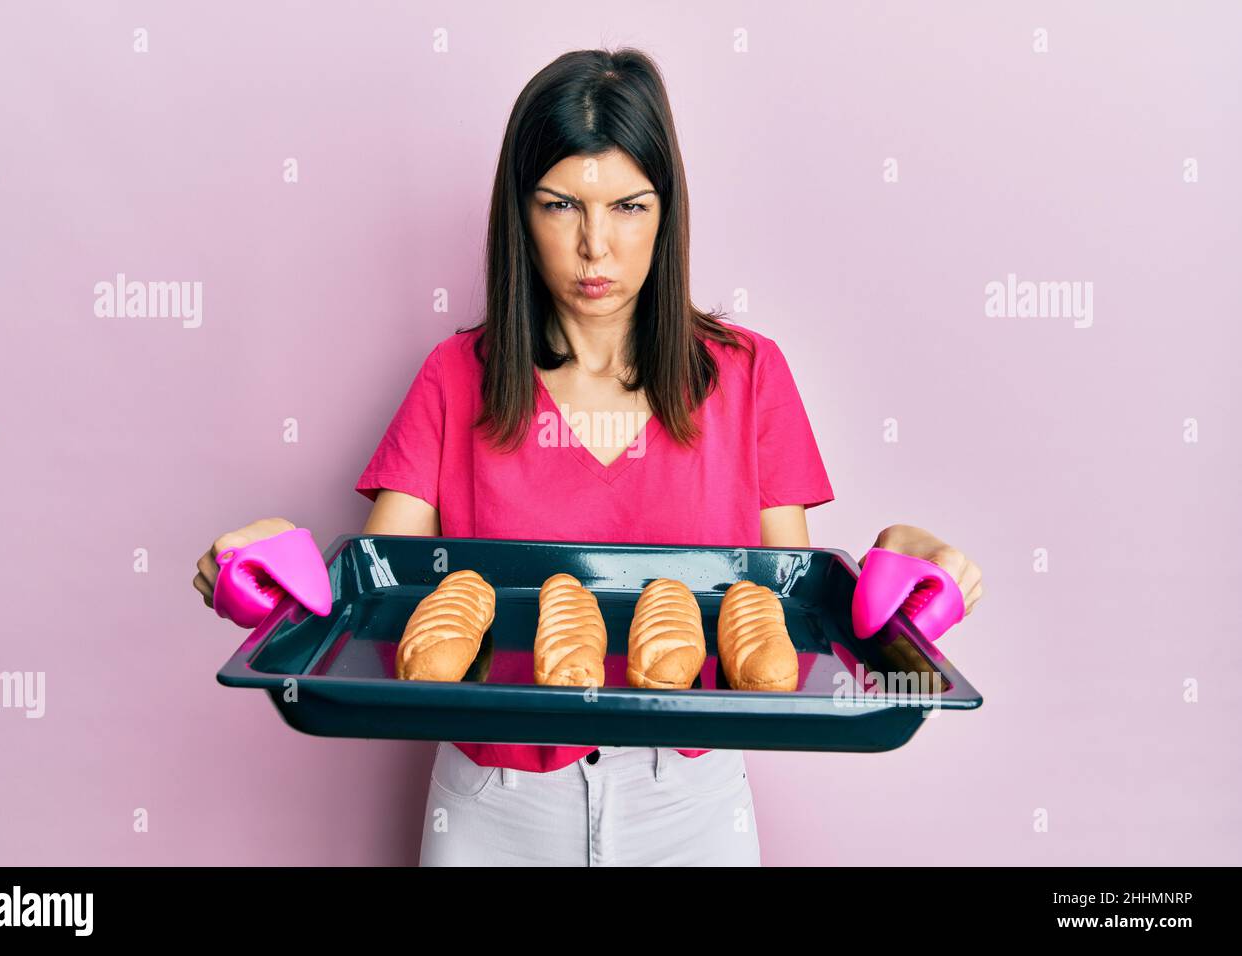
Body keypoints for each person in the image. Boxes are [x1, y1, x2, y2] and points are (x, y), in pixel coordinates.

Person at [193, 47, 983, 866]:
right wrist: (272, 575)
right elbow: (377, 600)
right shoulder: (453, 379)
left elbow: (790, 606)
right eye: (561, 204)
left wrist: (899, 573)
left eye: (629, 207)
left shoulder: (749, 376)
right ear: (519, 211)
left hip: (692, 809)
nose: (595, 246)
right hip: (492, 812)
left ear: (667, 212)